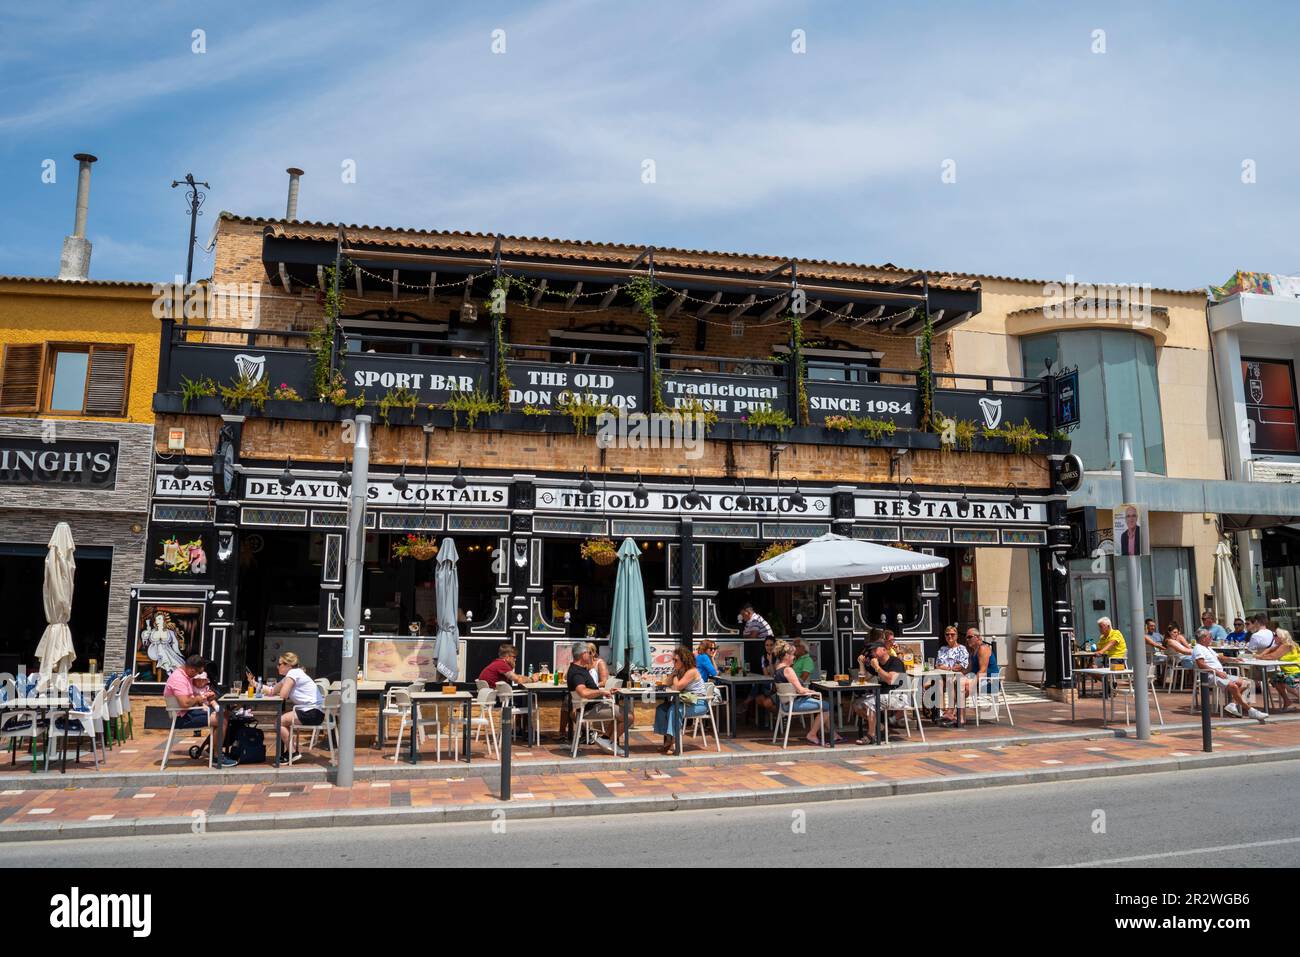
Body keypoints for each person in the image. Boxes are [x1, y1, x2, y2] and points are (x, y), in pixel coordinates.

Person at [163, 654, 236, 768]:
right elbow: (185, 703)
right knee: (222, 718)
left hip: (189, 713)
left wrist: (205, 695)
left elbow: (189, 697)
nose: (197, 675)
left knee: (224, 714)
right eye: (197, 673)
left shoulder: (185, 676)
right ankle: (216, 756)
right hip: (183, 718)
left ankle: (212, 750)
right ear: (191, 669)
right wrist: (198, 698)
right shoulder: (179, 679)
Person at [1192, 627, 1267, 723]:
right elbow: (1201, 664)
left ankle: (1232, 705)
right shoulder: (1198, 648)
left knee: (1248, 683)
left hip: (1220, 674)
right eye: (1210, 637)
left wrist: (1233, 659)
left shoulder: (1208, 648)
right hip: (1209, 675)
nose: (1212, 639)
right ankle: (1251, 711)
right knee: (1233, 686)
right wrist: (1218, 672)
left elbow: (1220, 657)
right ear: (1203, 638)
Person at [264, 652, 325, 762]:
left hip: (312, 712)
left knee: (278, 722)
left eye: (280, 664)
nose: (277, 666)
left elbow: (283, 695)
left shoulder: (293, 673)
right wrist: (254, 684)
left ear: (288, 665)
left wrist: (282, 689)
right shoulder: (291, 675)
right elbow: (272, 691)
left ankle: (292, 752)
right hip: (312, 711)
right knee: (281, 721)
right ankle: (291, 751)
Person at [772, 639, 834, 746]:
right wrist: (812, 691)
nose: (794, 657)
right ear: (786, 656)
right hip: (793, 704)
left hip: (784, 704)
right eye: (792, 655)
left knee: (822, 704)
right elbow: (800, 690)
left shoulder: (778, 668)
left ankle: (834, 734)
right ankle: (812, 734)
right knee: (826, 706)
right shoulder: (788, 670)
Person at [653, 645, 712, 754]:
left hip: (699, 704)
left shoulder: (691, 671)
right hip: (686, 702)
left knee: (673, 710)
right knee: (661, 709)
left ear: (684, 660)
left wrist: (675, 675)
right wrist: (674, 673)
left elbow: (677, 687)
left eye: (676, 660)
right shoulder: (680, 670)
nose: (674, 662)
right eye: (673, 660)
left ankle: (674, 744)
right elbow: (666, 683)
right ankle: (668, 740)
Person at [566, 641, 618, 753]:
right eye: (589, 653)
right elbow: (583, 692)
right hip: (591, 709)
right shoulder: (577, 673)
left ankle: (606, 739)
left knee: (624, 714)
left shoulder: (577, 669)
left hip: (588, 707)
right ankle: (605, 739)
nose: (592, 655)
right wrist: (603, 692)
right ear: (583, 654)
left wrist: (603, 691)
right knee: (629, 716)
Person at [853, 641, 907, 744]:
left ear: (884, 649)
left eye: (875, 650)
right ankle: (881, 727)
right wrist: (861, 664)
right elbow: (865, 679)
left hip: (897, 696)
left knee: (871, 703)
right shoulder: (877, 663)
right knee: (857, 705)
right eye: (872, 651)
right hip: (883, 696)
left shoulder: (895, 662)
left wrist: (877, 668)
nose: (872, 653)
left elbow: (890, 680)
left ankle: (871, 735)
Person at [1256, 626, 1300, 711]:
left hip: (1296, 671)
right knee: (1275, 679)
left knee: (1288, 681)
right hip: (1288, 671)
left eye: (1275, 635)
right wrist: (1261, 655)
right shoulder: (1281, 645)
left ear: (1281, 637)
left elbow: (1273, 656)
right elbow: (1269, 650)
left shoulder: (1287, 645)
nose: (1274, 637)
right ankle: (1287, 701)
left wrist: (1260, 657)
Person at [935, 626, 968, 726]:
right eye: (947, 634)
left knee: (950, 680)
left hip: (957, 676)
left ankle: (950, 711)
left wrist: (946, 668)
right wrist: (950, 668)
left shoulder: (961, 649)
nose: (950, 636)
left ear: (957, 636)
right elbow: (938, 665)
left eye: (952, 634)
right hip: (944, 675)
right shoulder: (942, 649)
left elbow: (961, 666)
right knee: (938, 681)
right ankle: (941, 711)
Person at [962, 628, 1000, 701]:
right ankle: (955, 710)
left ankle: (956, 711)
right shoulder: (973, 651)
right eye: (966, 637)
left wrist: (971, 684)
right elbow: (968, 669)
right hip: (980, 681)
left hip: (990, 683)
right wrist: (957, 673)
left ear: (977, 637)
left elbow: (983, 671)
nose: (967, 640)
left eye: (969, 637)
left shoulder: (983, 649)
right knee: (955, 681)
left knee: (961, 685)